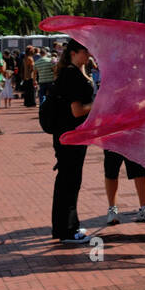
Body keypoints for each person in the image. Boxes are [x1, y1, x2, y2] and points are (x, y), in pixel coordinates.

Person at [50, 40, 94, 245]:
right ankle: (67, 230)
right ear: (75, 53)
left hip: (73, 135)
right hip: (70, 134)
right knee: (69, 181)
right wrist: (98, 105)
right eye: (85, 50)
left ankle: (68, 225)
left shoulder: (76, 72)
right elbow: (76, 110)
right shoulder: (71, 75)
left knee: (70, 180)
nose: (89, 54)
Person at [103, 152, 145, 225]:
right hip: (111, 141)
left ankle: (144, 209)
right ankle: (112, 210)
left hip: (134, 141)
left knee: (140, 168)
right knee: (111, 171)